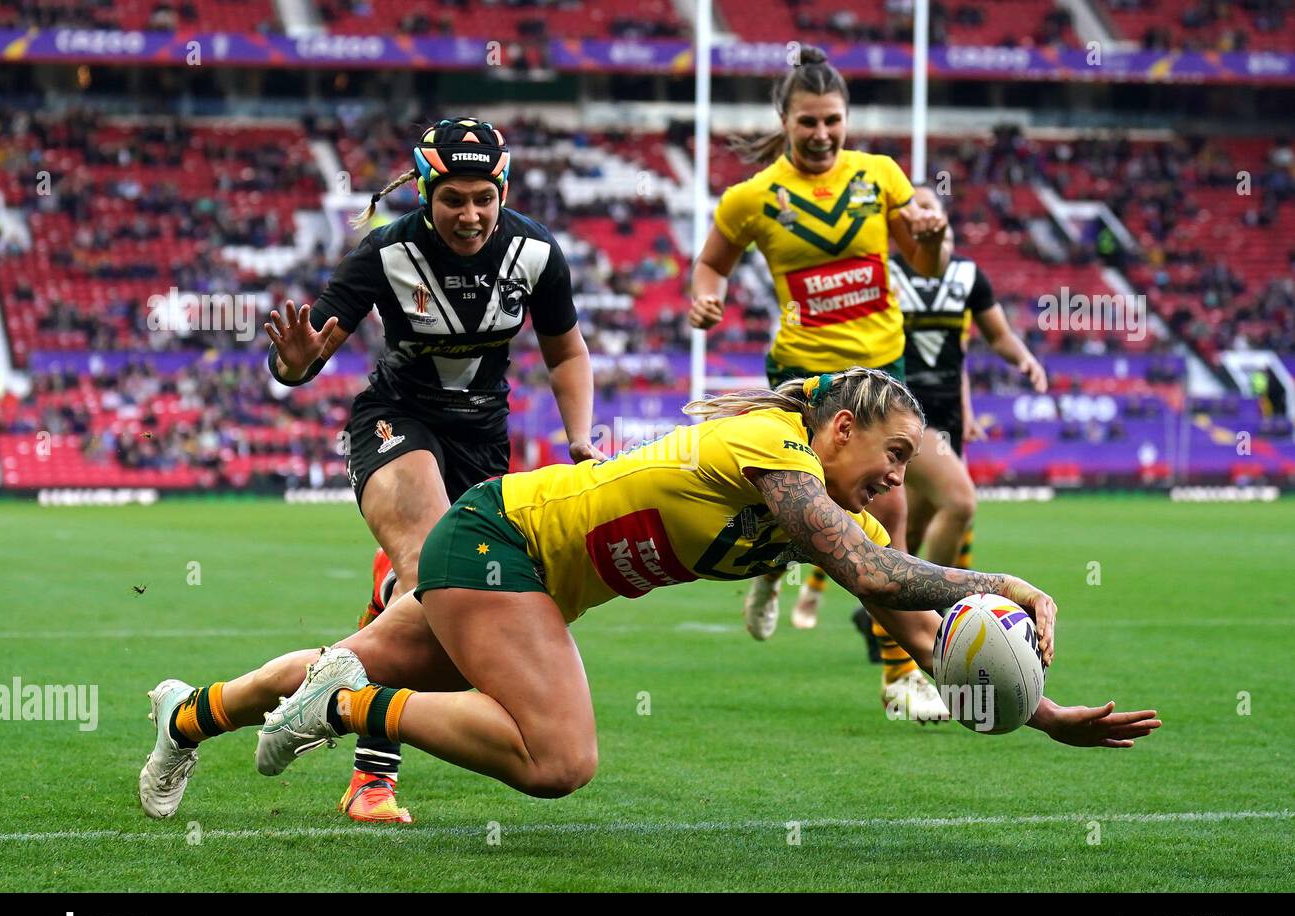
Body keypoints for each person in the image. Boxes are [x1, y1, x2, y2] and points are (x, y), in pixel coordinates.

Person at [138, 368, 1161, 819]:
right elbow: (873, 570)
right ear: (837, 430)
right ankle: (346, 707)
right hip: (502, 546)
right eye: (890, 459)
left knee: (365, 653)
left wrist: (1033, 707)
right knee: (560, 759)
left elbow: (923, 627)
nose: (896, 485)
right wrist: (1004, 578)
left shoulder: (810, 501)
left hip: (511, 558)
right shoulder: (774, 448)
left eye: (907, 468)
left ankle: (186, 715)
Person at [260, 116, 601, 823]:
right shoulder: (384, 255)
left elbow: (566, 354)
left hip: (483, 443)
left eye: (484, 197)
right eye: (454, 199)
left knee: (438, 598)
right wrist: (291, 365)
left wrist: (578, 438)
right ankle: (368, 767)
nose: (470, 214)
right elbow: (305, 355)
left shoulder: (537, 253)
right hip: (395, 422)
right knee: (428, 572)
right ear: (424, 190)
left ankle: (340, 700)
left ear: (502, 190)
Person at [688, 45, 951, 719]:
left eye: (833, 120)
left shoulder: (880, 175)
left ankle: (899, 682)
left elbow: (925, 261)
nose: (823, 134)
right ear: (786, 119)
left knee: (884, 517)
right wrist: (705, 299)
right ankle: (774, 569)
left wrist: (934, 231)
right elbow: (710, 263)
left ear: (847, 118)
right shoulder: (753, 198)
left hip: (882, 376)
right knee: (805, 512)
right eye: (809, 122)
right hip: (805, 377)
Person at [893, 184, 1047, 570]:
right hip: (902, 408)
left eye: (928, 206)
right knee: (960, 503)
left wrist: (1024, 357)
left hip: (949, 417)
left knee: (913, 530)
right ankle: (937, 605)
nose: (920, 214)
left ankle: (881, 616)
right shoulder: (884, 273)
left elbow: (998, 335)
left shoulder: (966, 274)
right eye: (910, 208)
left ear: (943, 217)